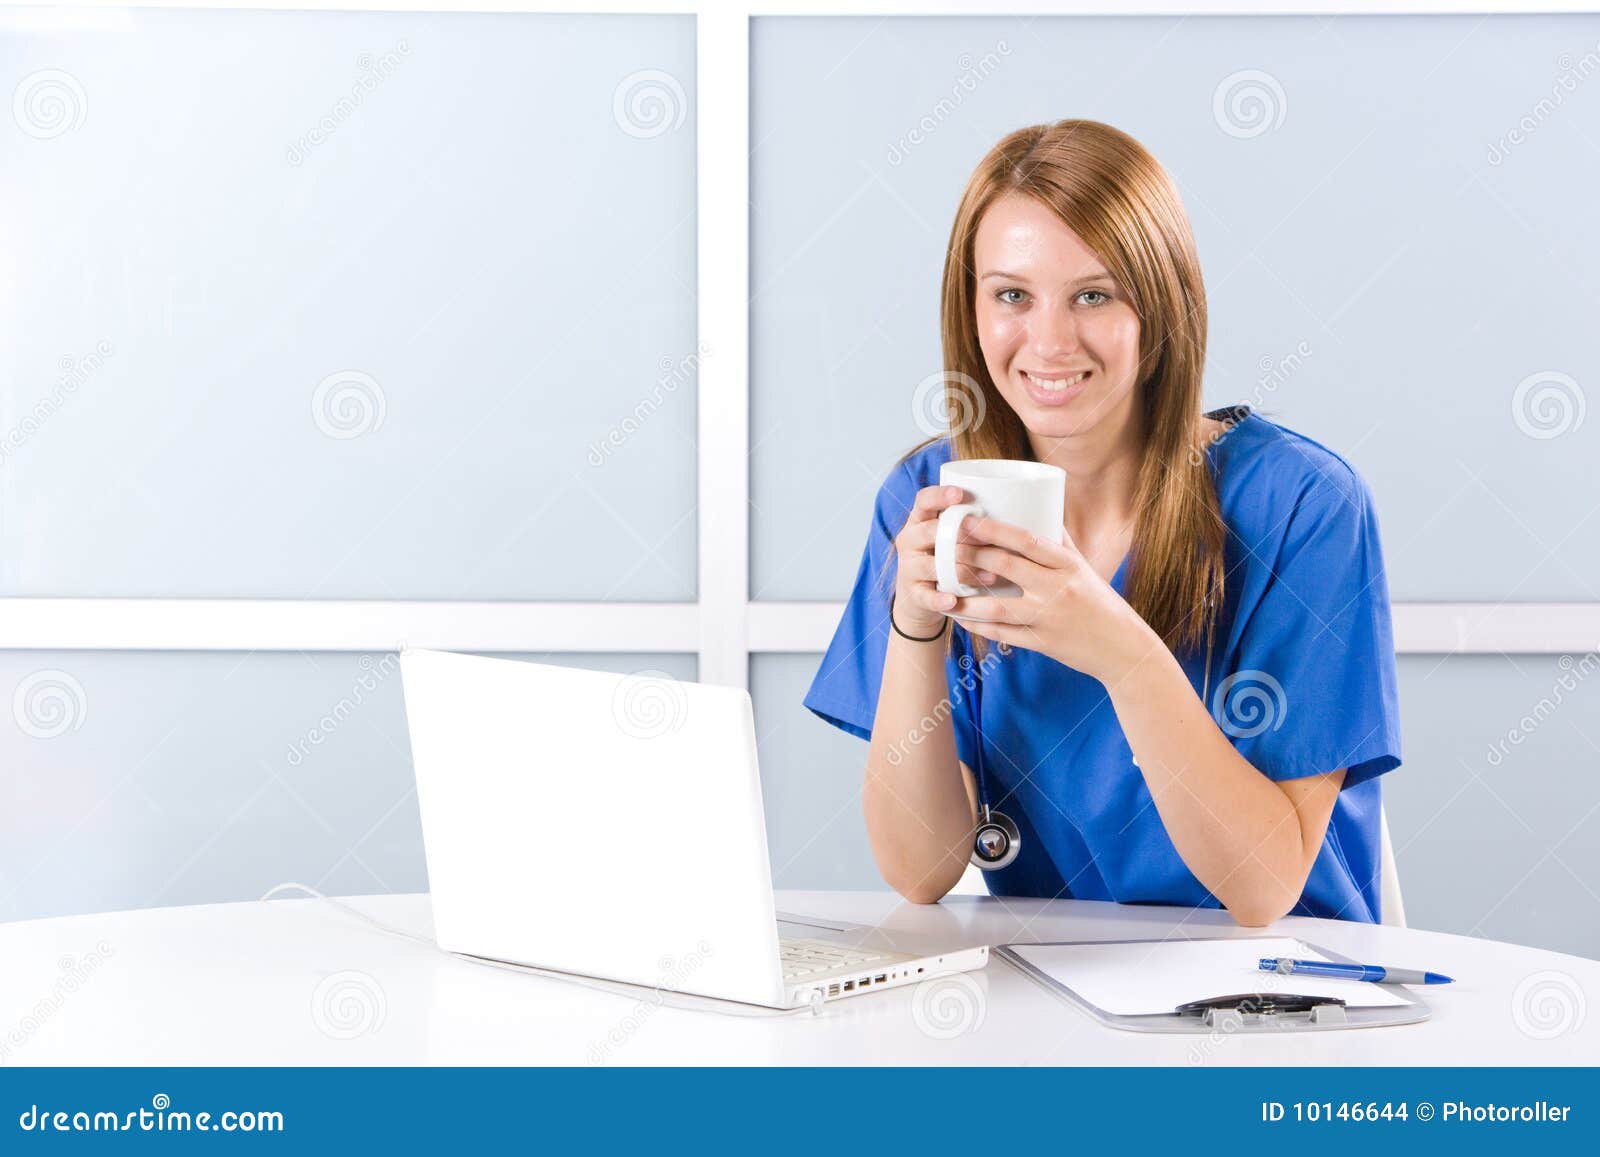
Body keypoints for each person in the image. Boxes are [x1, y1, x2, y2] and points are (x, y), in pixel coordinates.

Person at [802, 119, 1401, 926]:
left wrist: (1118, 653)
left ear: (1162, 304)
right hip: (1056, 991)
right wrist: (915, 629)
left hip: (1273, 994)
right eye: (1012, 295)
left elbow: (1263, 889)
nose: (1049, 341)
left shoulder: (1303, 505)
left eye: (1094, 294)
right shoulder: (926, 495)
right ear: (970, 307)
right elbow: (920, 868)